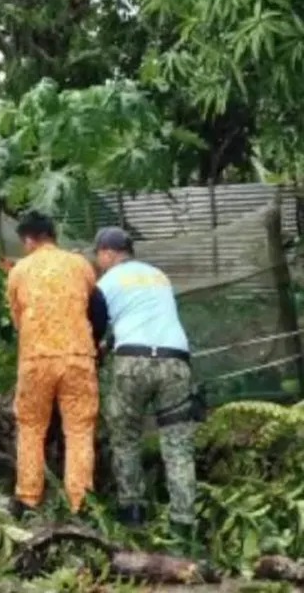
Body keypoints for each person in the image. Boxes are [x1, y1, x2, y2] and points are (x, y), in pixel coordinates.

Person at [94, 226, 198, 541]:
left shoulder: (107, 281)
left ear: (108, 253)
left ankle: (133, 514)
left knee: (125, 436)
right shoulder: (158, 276)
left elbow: (96, 323)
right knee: (178, 446)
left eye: (99, 256)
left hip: (133, 361)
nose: (99, 262)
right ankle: (183, 525)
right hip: (175, 360)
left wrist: (99, 346)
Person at [6, 211, 101, 517]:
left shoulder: (19, 270)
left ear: (29, 239)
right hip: (78, 358)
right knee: (80, 430)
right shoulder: (79, 264)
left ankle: (29, 499)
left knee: (31, 429)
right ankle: (81, 503)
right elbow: (92, 305)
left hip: (36, 359)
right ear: (53, 235)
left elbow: (18, 320)